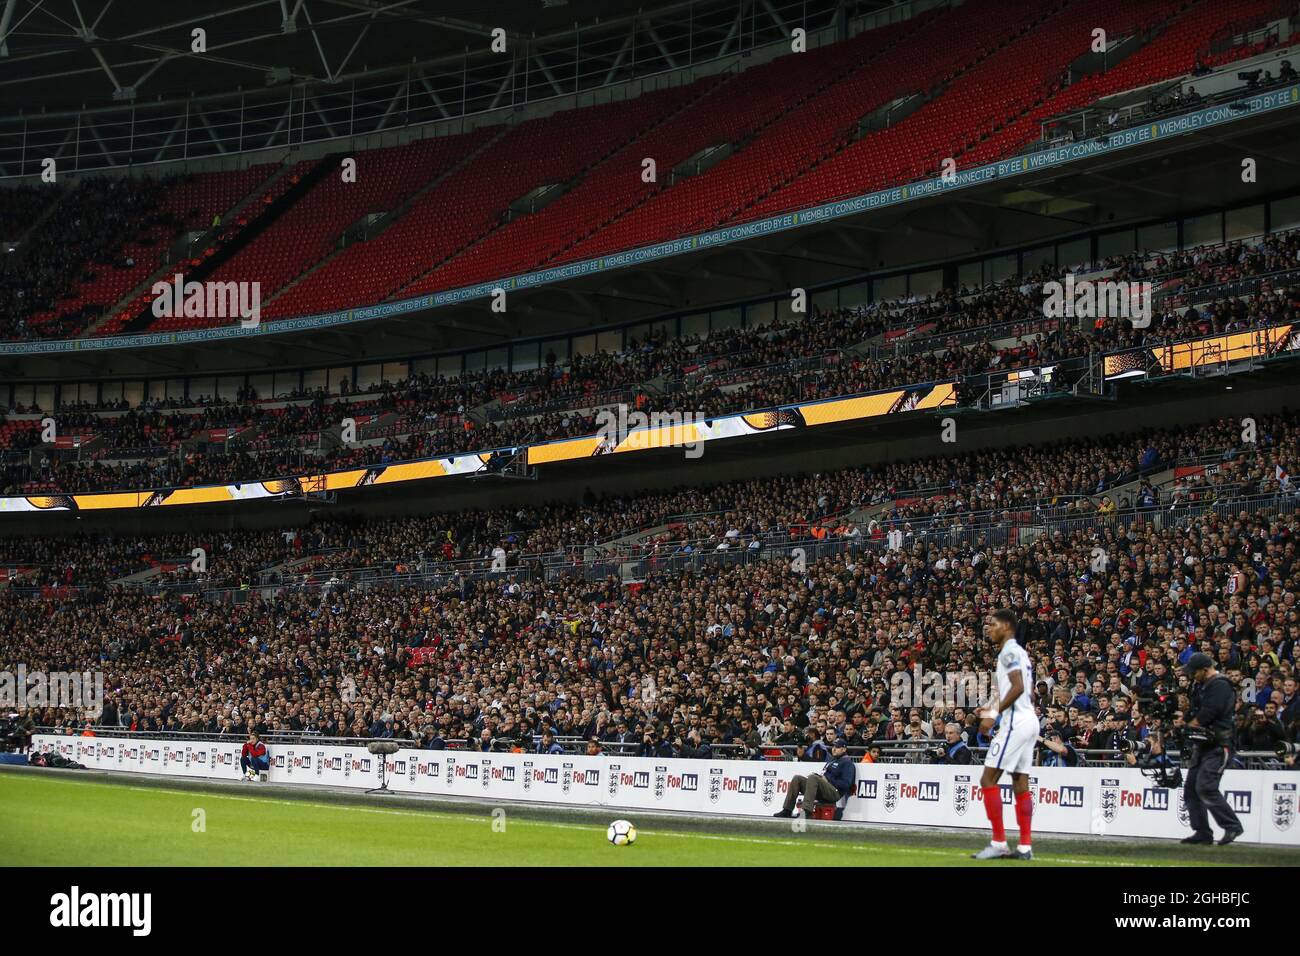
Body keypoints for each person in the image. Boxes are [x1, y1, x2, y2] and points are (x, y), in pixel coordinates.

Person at [972, 609, 1039, 860]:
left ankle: (999, 843)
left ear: (1007, 627)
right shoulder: (1020, 653)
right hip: (1029, 720)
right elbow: (1023, 690)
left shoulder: (1009, 651)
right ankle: (1024, 847)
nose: (989, 629)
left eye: (993, 624)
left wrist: (993, 713)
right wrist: (990, 705)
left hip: (1015, 723)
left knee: (988, 779)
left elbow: (1019, 686)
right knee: (1020, 782)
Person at [1181, 653, 1244, 845]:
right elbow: (1197, 710)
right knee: (1191, 788)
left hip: (1220, 744)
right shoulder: (1203, 685)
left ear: (1204, 669)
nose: (1192, 676)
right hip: (1204, 743)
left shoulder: (1220, 684)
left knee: (1206, 786)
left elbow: (1210, 712)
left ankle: (1232, 826)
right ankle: (1202, 832)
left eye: (1194, 672)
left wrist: (1190, 725)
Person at [773, 738, 855, 820]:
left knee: (813, 778)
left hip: (834, 793)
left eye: (837, 747)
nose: (833, 749)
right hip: (824, 789)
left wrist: (828, 780)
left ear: (844, 749)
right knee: (797, 778)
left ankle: (807, 811)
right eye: (833, 746)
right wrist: (820, 778)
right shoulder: (832, 760)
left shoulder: (847, 763)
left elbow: (846, 784)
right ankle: (787, 810)